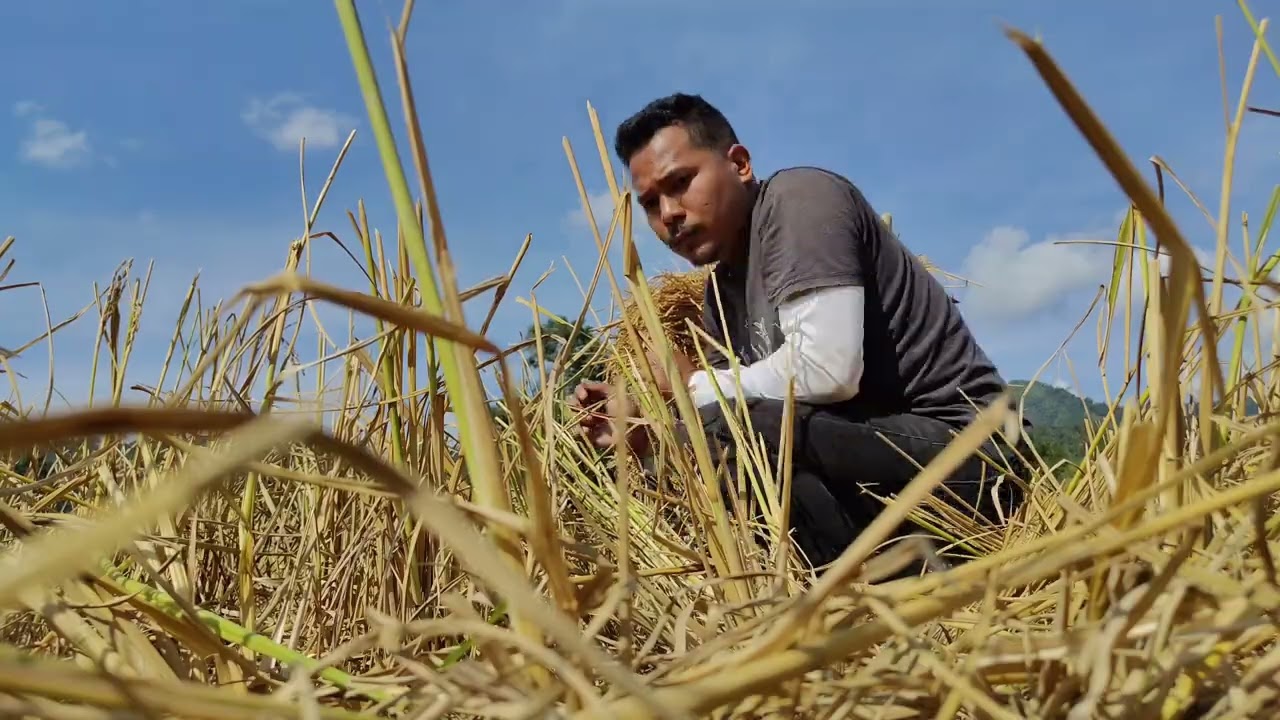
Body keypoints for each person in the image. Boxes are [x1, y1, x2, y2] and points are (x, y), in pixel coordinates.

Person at [570, 92, 1026, 572]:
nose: (668, 214)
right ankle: (865, 594)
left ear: (740, 164)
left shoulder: (799, 200)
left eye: (680, 183)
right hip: (871, 472)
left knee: (735, 425)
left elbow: (828, 371)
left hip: (975, 457)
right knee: (727, 440)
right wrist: (647, 433)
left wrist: (692, 385)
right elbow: (734, 433)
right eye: (650, 204)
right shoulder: (720, 296)